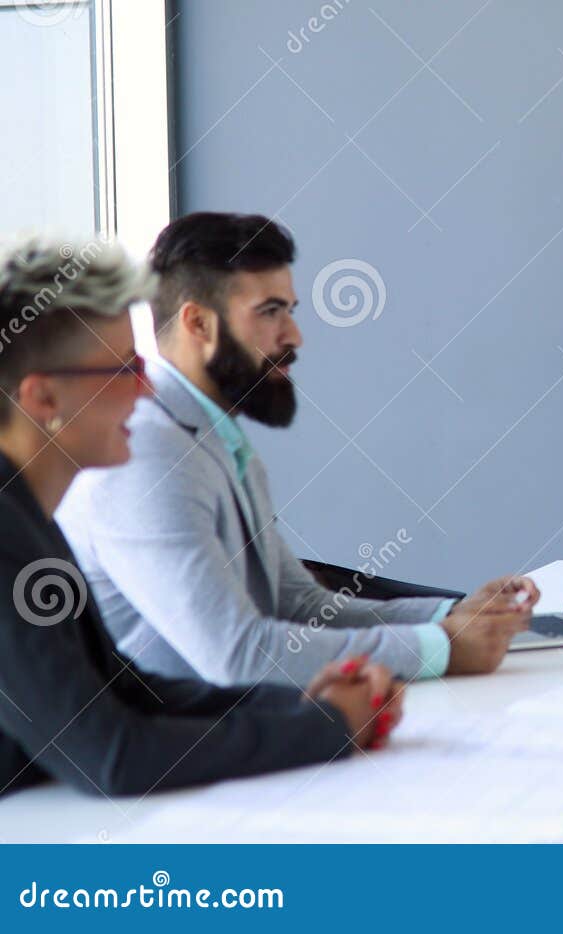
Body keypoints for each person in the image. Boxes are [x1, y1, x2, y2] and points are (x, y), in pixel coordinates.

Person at [56, 213, 537, 688]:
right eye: (270, 312)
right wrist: (441, 648)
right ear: (198, 323)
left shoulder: (211, 436)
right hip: (177, 756)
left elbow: (299, 604)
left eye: (290, 310)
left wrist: (459, 616)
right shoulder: (146, 453)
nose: (294, 336)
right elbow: (237, 656)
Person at [0, 234, 398, 797]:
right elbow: (110, 755)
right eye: (123, 370)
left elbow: (127, 692)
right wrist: (325, 728)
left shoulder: (28, 516)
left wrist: (309, 702)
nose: (146, 389)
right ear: (43, 400)